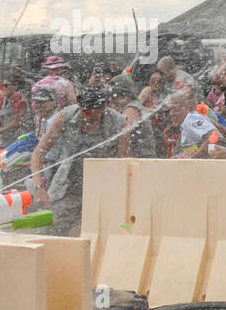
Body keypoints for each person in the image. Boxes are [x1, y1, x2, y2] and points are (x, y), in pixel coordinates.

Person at [30, 85, 128, 236]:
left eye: (90, 112)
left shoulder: (119, 123)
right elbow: (38, 154)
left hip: (101, 190)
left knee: (90, 237)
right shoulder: (66, 116)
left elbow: (122, 164)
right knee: (47, 231)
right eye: (83, 110)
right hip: (66, 187)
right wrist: (39, 188)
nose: (85, 115)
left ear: (102, 108)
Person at [108, 74, 155, 158]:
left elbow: (124, 132)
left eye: (114, 95)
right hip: (138, 161)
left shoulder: (132, 108)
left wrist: (120, 163)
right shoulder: (127, 108)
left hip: (140, 162)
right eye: (109, 95)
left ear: (128, 96)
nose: (110, 99)